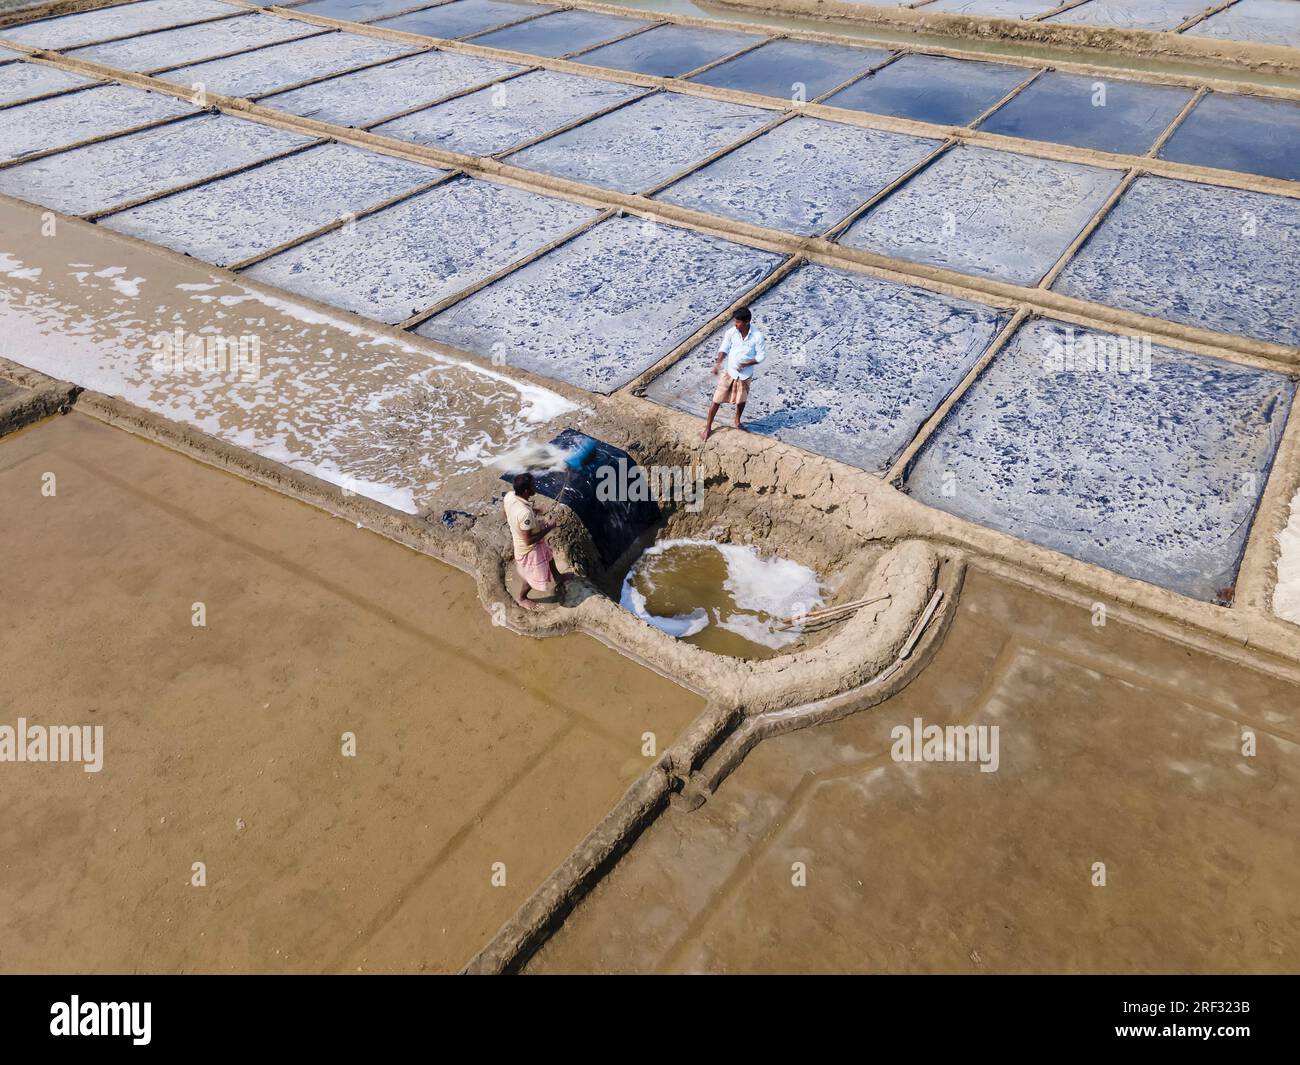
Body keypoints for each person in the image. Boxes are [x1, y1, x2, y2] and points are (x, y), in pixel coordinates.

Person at [503, 472, 568, 610]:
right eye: (533, 485)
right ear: (526, 491)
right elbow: (528, 541)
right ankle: (522, 598)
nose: (535, 487)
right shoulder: (525, 514)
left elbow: (509, 512)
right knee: (531, 577)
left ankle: (558, 577)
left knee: (549, 556)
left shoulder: (510, 496)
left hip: (523, 538)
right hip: (528, 549)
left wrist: (533, 510)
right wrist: (549, 527)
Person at [703, 305, 766, 441]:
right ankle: (708, 427)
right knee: (716, 399)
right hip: (729, 372)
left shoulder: (757, 336)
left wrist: (747, 363)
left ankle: (737, 420)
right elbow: (724, 348)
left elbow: (761, 356)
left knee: (741, 400)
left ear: (746, 322)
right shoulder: (731, 333)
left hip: (745, 374)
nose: (735, 324)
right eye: (735, 321)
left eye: (738, 322)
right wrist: (718, 364)